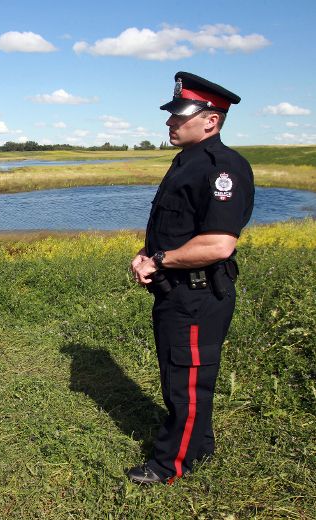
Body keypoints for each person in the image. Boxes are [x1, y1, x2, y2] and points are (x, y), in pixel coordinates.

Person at [128, 72, 254, 484]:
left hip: (199, 296)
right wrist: (147, 254)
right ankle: (198, 444)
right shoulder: (186, 162)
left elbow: (218, 245)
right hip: (177, 294)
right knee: (177, 376)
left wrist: (159, 260)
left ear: (211, 121)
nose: (169, 122)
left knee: (188, 382)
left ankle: (171, 465)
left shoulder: (224, 168)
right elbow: (176, 227)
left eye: (179, 115)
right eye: (171, 115)